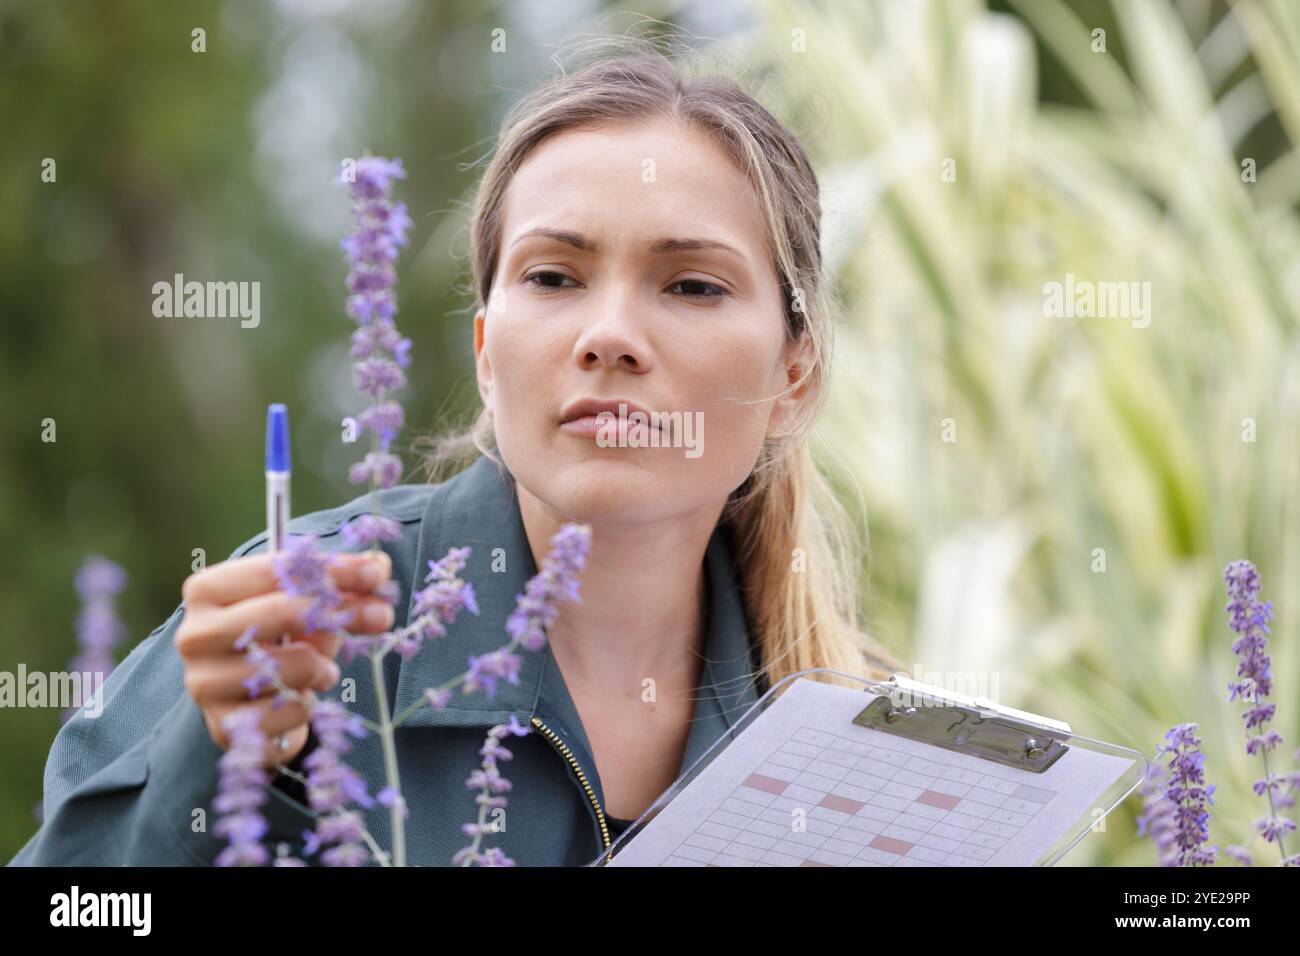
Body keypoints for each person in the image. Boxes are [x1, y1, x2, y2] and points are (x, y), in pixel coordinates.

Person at [11, 39, 900, 867]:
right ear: (484, 352)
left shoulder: (856, 739)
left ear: (795, 373)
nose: (610, 336)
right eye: (553, 276)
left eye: (692, 285)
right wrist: (202, 762)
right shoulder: (303, 627)